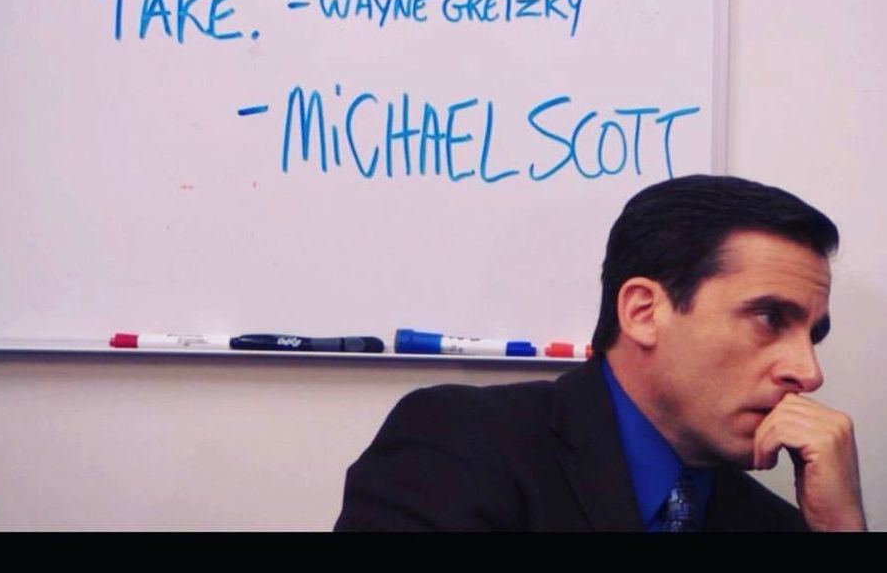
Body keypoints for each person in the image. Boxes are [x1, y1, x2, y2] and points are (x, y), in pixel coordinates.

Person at [334, 175, 866, 531]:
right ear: (643, 312)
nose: (808, 373)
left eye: (813, 337)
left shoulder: (777, 524)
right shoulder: (459, 446)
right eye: (769, 319)